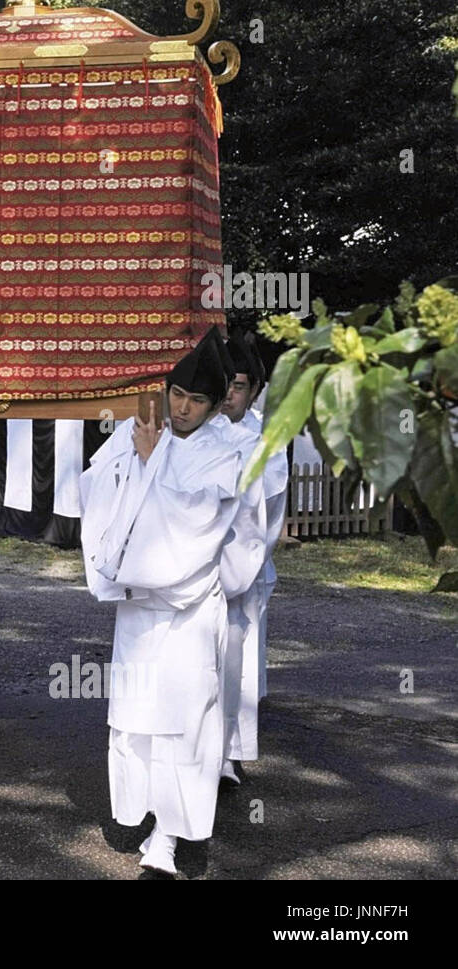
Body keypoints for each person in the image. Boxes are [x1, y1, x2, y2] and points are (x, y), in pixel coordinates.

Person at [78, 326, 264, 876]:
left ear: (214, 405)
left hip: (187, 607)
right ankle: (148, 811)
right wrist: (138, 459)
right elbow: (97, 493)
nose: (183, 409)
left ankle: (170, 835)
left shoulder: (227, 447)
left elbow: (199, 517)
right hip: (140, 607)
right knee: (139, 720)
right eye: (177, 395)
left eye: (197, 400)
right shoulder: (141, 430)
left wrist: (155, 461)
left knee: (185, 721)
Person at [218, 333, 288, 782]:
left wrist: (239, 562)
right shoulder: (202, 430)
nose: (229, 395)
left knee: (238, 664)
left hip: (243, 568)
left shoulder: (268, 440)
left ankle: (230, 755)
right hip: (198, 570)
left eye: (239, 386)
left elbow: (268, 512)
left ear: (255, 391)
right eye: (224, 384)